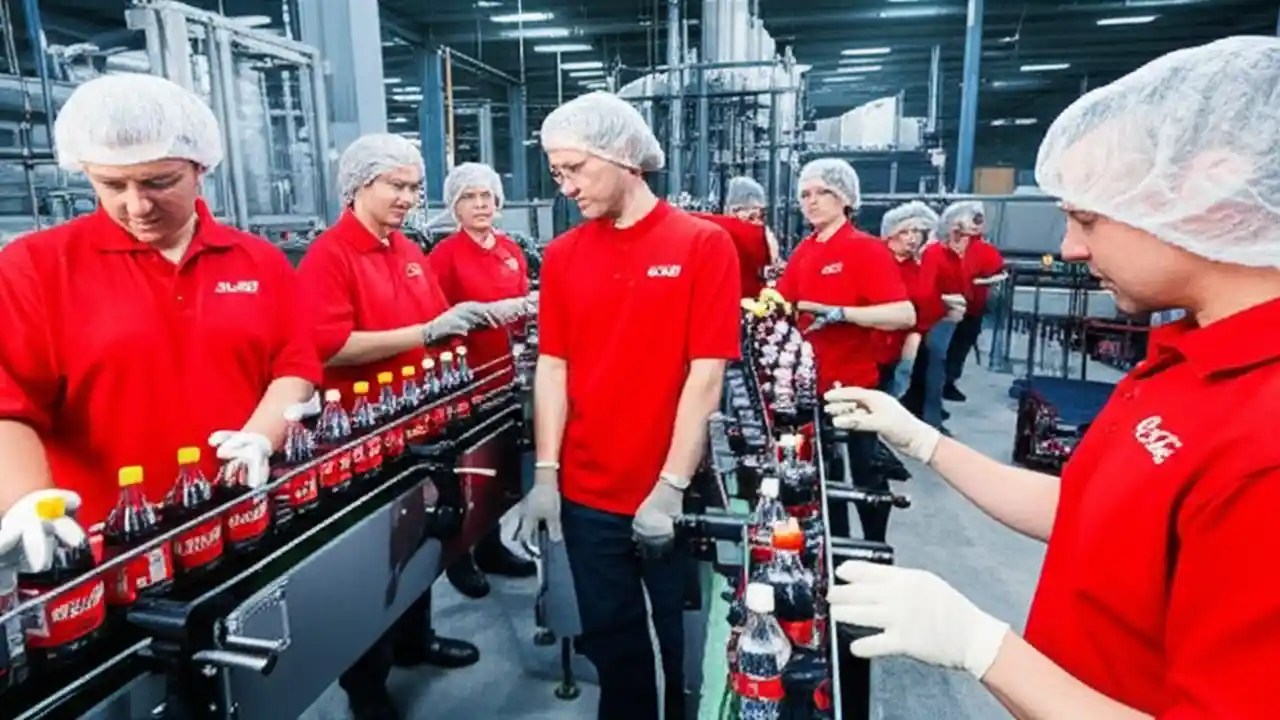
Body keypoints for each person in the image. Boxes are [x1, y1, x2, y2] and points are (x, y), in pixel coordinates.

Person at [824, 36, 1280, 718]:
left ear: (1211, 186)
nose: (1068, 246)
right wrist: (924, 441)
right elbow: (1087, 516)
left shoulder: (1264, 444)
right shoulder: (1183, 357)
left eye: (1088, 216)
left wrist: (983, 647)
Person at [0, 73, 317, 573]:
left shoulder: (257, 261)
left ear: (199, 169)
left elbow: (293, 365)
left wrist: (261, 435)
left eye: (158, 182)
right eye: (111, 184)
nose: (136, 205)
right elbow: (8, 402)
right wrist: (24, 499)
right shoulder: (34, 268)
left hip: (243, 514)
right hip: (106, 545)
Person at [518, 91, 741, 720]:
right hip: (588, 498)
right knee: (614, 647)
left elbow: (705, 376)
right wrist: (545, 474)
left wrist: (671, 483)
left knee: (682, 650)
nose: (565, 187)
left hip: (668, 496)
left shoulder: (702, 245)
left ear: (624, 158)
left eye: (575, 169)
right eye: (556, 172)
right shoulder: (562, 257)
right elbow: (554, 368)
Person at [297, 134, 512, 720]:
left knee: (422, 539)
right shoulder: (331, 256)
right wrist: (426, 334)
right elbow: (329, 347)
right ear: (358, 184)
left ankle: (416, 638)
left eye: (414, 188)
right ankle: (366, 685)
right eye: (396, 185)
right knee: (371, 567)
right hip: (365, 435)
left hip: (421, 423)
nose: (408, 198)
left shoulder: (407, 252)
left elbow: (439, 319)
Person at [776, 159, 915, 540]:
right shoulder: (806, 249)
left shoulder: (864, 249)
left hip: (852, 387)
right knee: (824, 476)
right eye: (805, 194)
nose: (812, 201)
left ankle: (874, 547)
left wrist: (845, 314)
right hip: (810, 387)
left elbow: (904, 313)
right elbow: (781, 299)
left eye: (823, 192)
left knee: (865, 471)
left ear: (845, 199)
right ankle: (836, 552)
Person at [427, 162, 537, 599]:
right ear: (455, 206)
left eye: (486, 197)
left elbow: (523, 303)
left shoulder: (510, 248)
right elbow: (432, 321)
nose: (480, 205)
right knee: (468, 471)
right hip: (463, 379)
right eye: (470, 198)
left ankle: (491, 546)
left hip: (505, 375)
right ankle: (460, 557)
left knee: (499, 467)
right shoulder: (445, 255)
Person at [900, 215, 968, 433]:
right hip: (934, 317)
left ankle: (926, 414)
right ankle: (931, 420)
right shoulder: (935, 253)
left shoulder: (949, 253)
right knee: (933, 369)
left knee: (931, 368)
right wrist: (946, 305)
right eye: (958, 230)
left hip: (943, 315)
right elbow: (925, 290)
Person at [941, 201, 1006, 402]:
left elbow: (999, 272)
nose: (977, 223)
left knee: (959, 348)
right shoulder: (944, 244)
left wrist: (981, 281)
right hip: (944, 308)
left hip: (972, 309)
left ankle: (948, 383)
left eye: (979, 219)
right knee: (939, 349)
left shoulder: (985, 250)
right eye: (973, 218)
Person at [690, 176, 775, 299]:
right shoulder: (720, 235)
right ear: (733, 211)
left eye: (761, 217)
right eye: (751, 217)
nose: (757, 224)